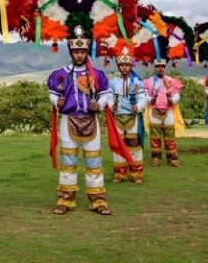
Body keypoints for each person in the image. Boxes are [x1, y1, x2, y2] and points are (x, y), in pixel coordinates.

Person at [46, 26, 113, 216]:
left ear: (86, 52)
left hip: (91, 120)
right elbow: (52, 94)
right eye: (75, 51)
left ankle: (98, 200)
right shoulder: (60, 74)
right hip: (68, 120)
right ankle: (65, 200)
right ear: (71, 51)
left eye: (82, 51)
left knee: (94, 161)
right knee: (68, 160)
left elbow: (105, 95)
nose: (79, 54)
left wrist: (99, 105)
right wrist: (56, 102)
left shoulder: (97, 75)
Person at [107, 47, 147, 182]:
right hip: (117, 117)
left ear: (131, 66)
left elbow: (143, 98)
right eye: (122, 65)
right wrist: (112, 105)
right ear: (118, 66)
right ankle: (120, 174)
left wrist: (139, 107)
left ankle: (136, 174)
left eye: (127, 65)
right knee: (119, 146)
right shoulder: (113, 82)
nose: (124, 67)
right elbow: (109, 98)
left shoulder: (137, 82)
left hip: (132, 117)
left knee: (134, 145)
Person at [144, 58, 184, 167]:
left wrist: (172, 100)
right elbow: (145, 94)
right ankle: (156, 158)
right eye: (157, 66)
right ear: (154, 67)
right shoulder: (149, 81)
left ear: (165, 67)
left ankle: (172, 159)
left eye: (162, 66)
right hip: (154, 111)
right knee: (155, 137)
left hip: (169, 111)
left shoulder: (171, 81)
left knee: (170, 137)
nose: (160, 68)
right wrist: (151, 99)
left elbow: (176, 94)